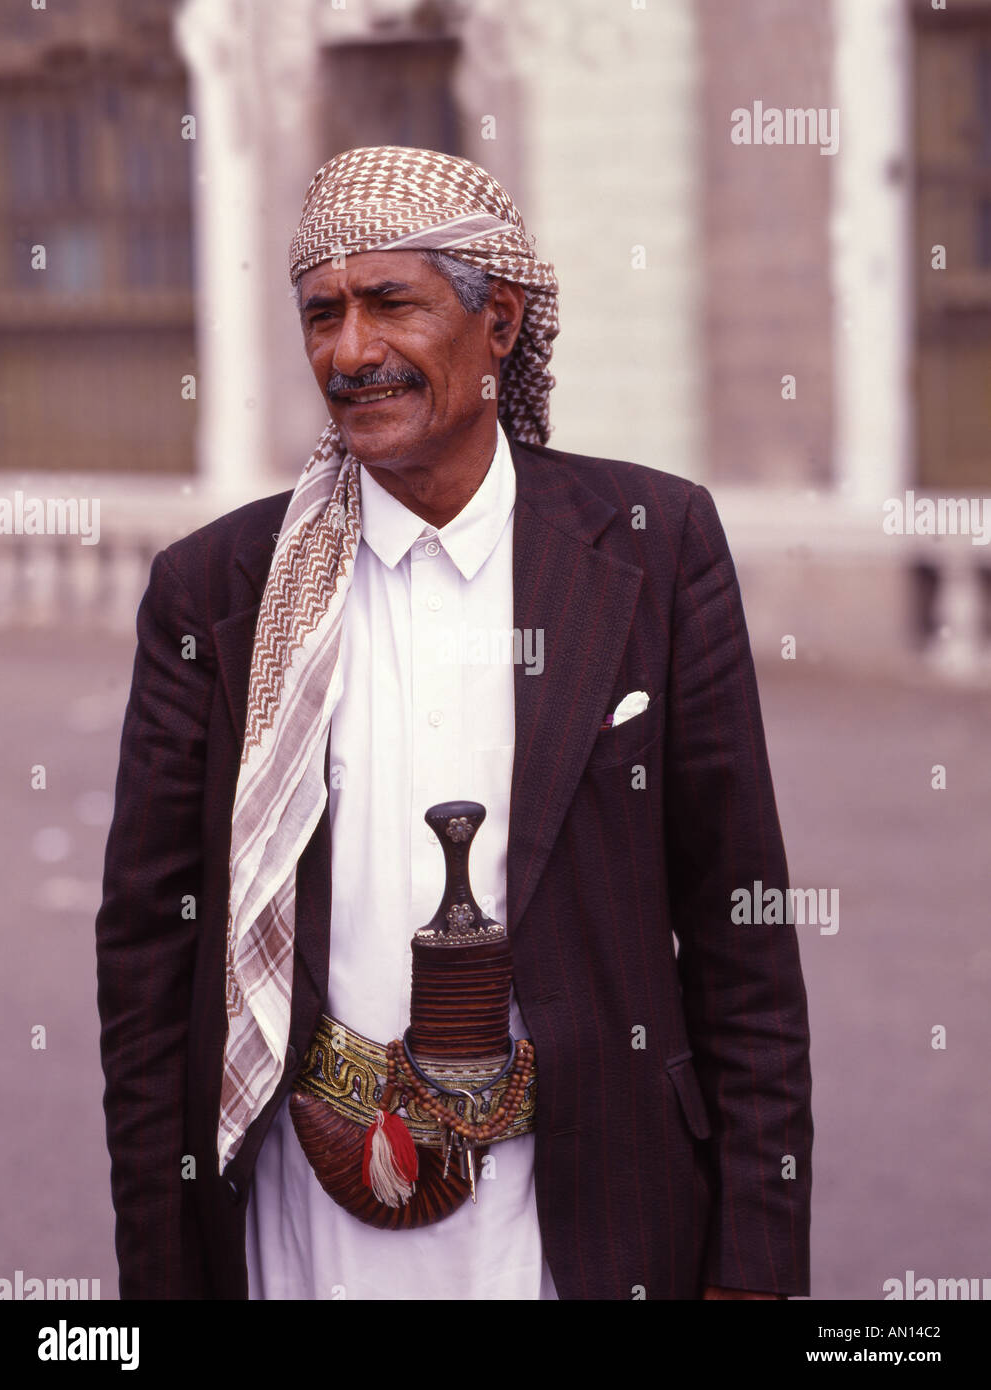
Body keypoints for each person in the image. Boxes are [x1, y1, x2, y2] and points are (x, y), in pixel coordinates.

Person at [96, 145, 812, 1301]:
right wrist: (160, 1273)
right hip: (302, 1222)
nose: (350, 351)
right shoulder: (220, 591)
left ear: (500, 323)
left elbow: (742, 935)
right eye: (321, 312)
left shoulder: (651, 547)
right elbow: (145, 960)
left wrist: (756, 1266)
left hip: (583, 1223)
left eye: (391, 303)